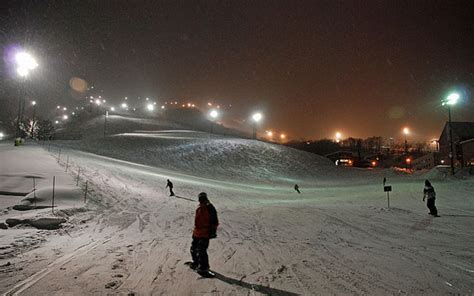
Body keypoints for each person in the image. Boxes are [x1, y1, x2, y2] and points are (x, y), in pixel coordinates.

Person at [190, 192, 218, 276]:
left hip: (205, 233)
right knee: (193, 248)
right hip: (197, 232)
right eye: (200, 198)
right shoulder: (200, 207)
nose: (200, 199)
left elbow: (214, 221)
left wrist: (212, 232)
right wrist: (194, 232)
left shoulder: (210, 207)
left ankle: (204, 268)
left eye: (202, 198)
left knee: (201, 250)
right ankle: (196, 262)